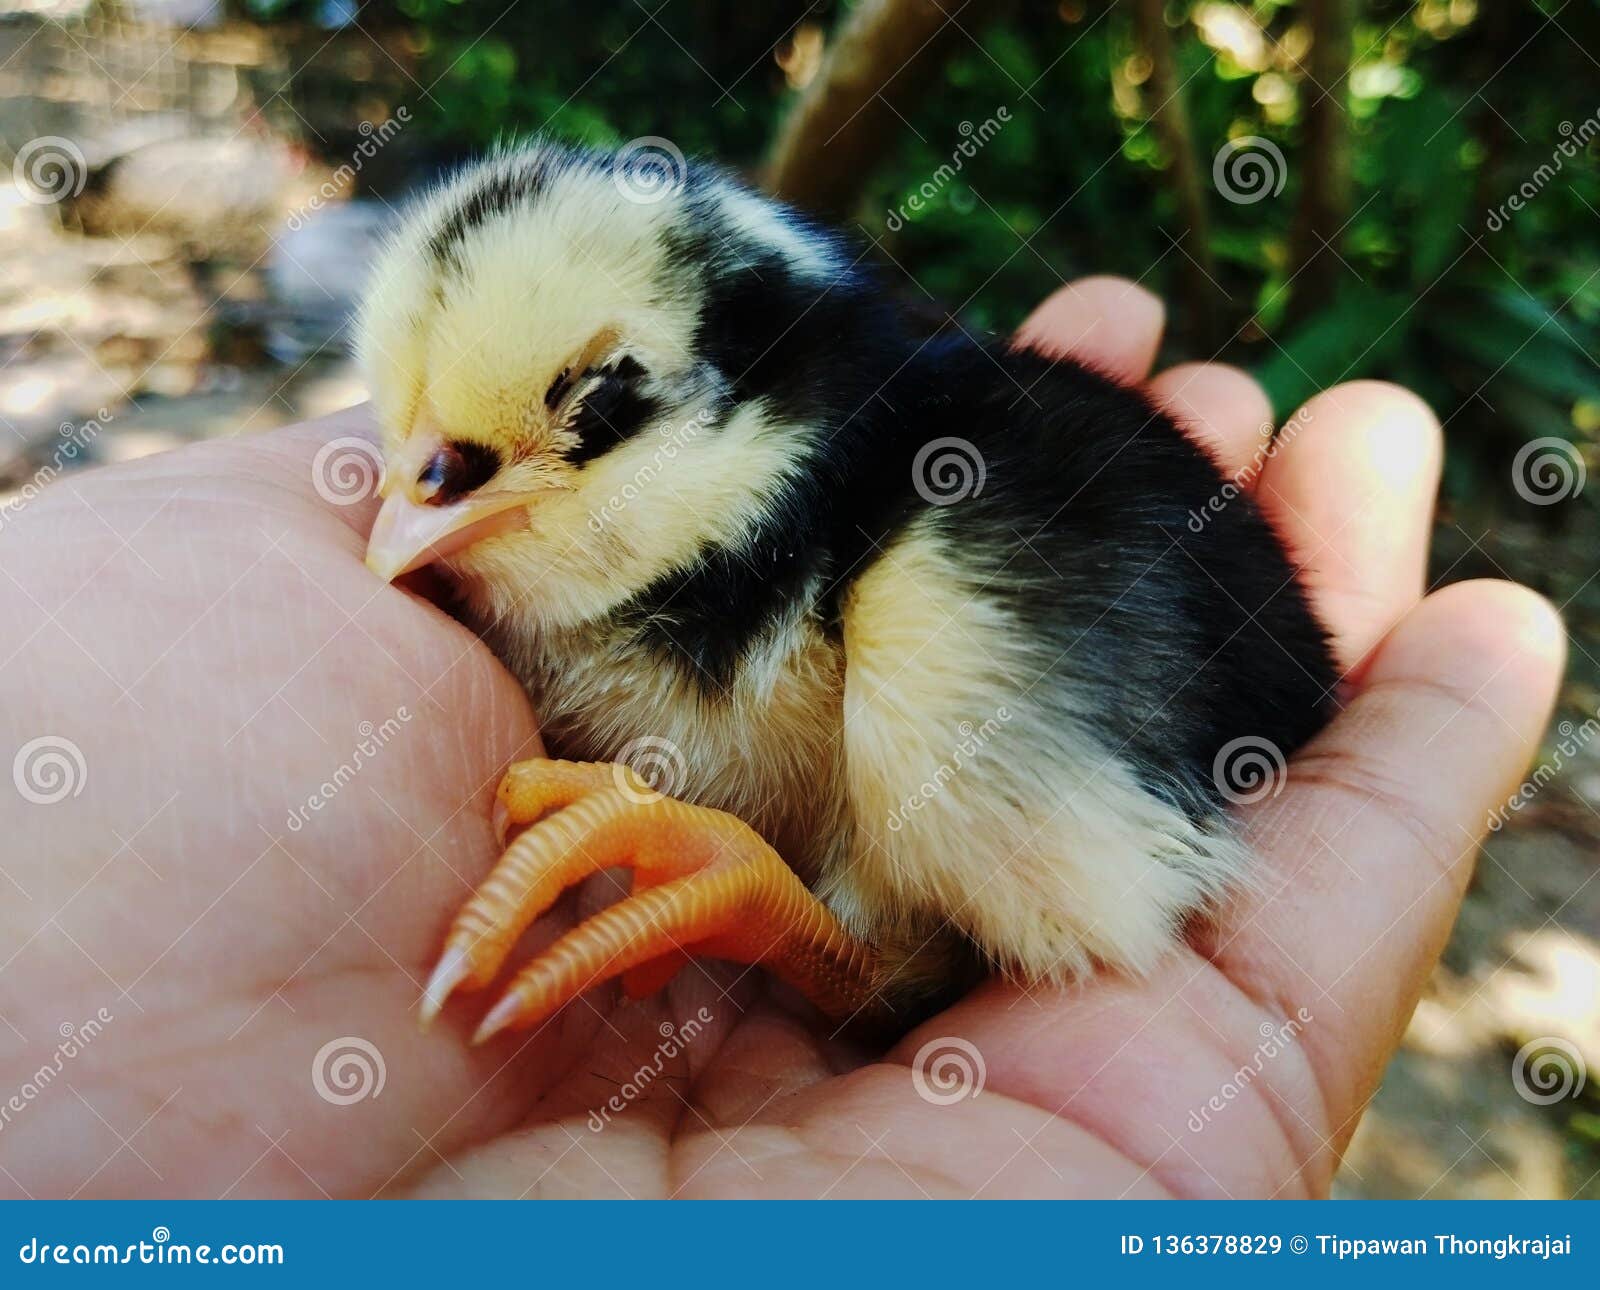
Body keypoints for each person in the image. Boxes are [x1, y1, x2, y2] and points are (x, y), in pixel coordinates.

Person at [0, 278, 1561, 1199]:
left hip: (1080, 734)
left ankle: (847, 938)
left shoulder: (892, 542)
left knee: (955, 598)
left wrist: (821, 924)